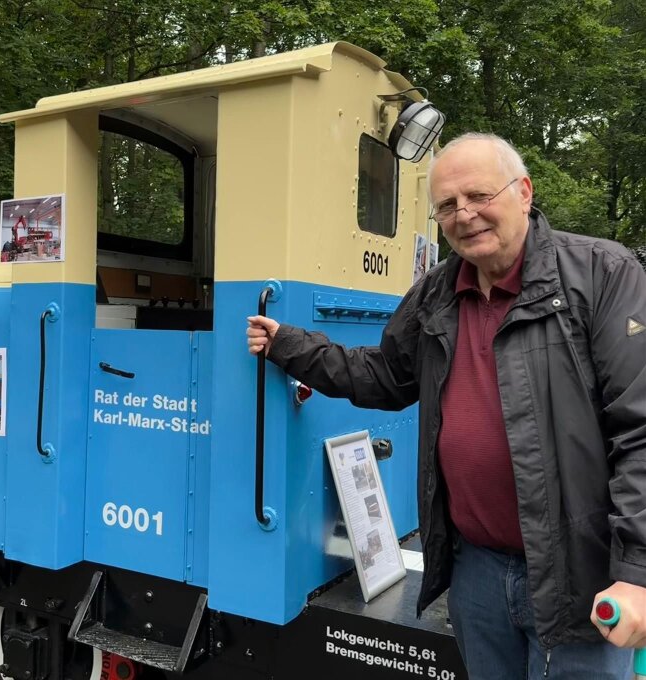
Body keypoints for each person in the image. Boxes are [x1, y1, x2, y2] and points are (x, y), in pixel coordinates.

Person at [247, 133, 646, 679]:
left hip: (580, 577)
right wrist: (289, 345)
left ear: (524, 192)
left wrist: (637, 572)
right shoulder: (436, 293)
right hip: (476, 572)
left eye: (479, 196)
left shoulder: (602, 274)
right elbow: (386, 375)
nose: (465, 215)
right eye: (447, 206)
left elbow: (639, 430)